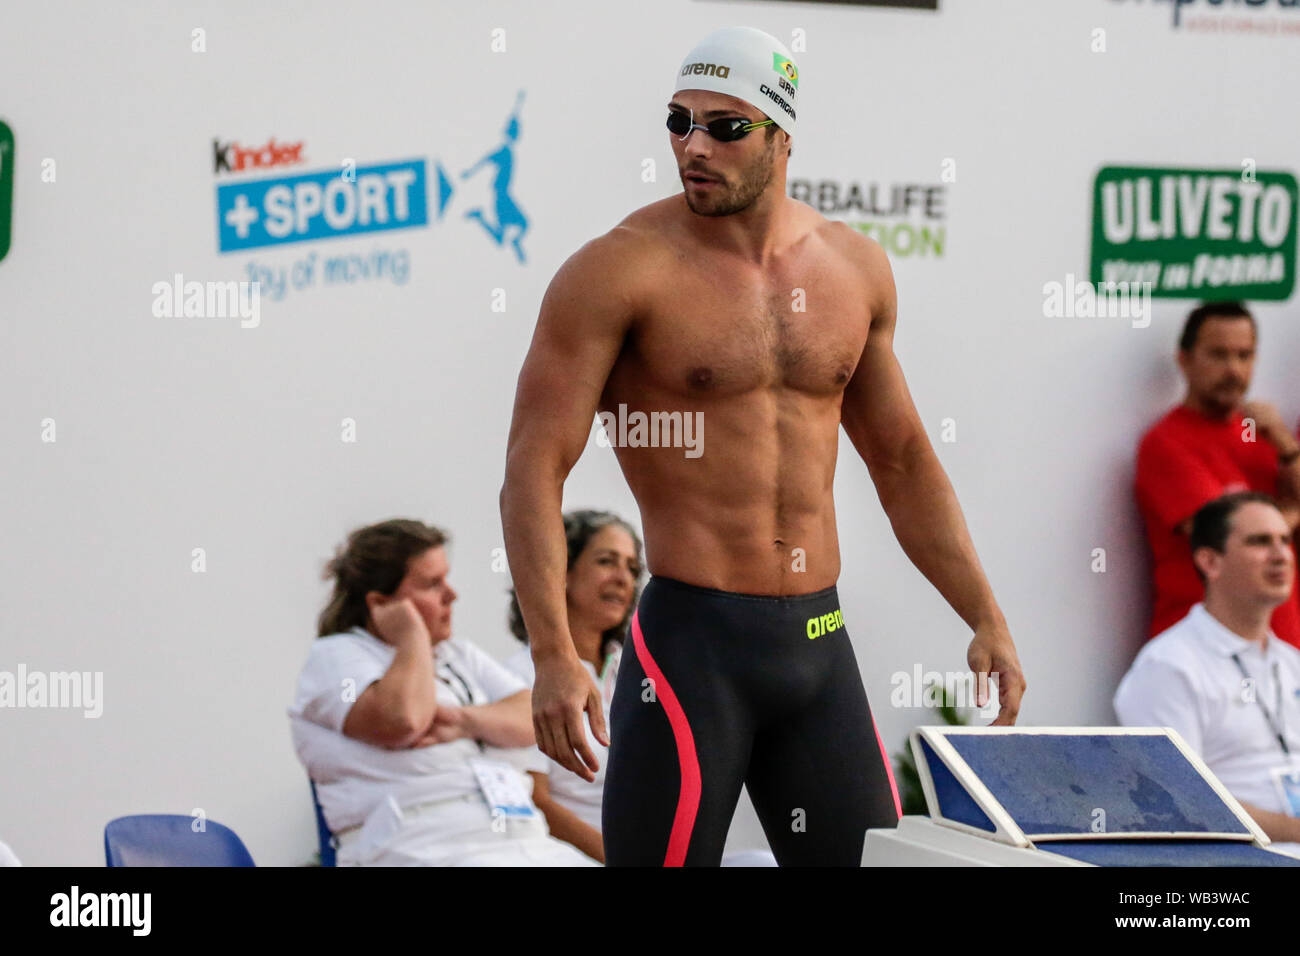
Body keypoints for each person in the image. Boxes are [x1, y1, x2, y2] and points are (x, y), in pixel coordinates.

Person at [499, 25, 1026, 866]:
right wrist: (555, 656)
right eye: (678, 122)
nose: (694, 146)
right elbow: (533, 468)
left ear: (782, 137)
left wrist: (984, 614)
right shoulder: (618, 272)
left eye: (725, 126)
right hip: (690, 648)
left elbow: (902, 459)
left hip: (818, 644)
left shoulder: (853, 269)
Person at [288, 519, 595, 866]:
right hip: (421, 846)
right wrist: (411, 638)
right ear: (380, 603)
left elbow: (531, 716)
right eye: (433, 584)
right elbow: (402, 719)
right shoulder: (337, 655)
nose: (452, 595)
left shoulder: (459, 655)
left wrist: (465, 721)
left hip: (522, 841)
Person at [1115, 492, 1300, 857]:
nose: (1281, 555)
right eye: (1260, 541)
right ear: (1210, 561)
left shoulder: (1290, 661)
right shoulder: (1169, 666)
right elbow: (1182, 803)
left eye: (1285, 540)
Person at [1136, 301, 1300, 648]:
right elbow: (1228, 537)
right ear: (1184, 359)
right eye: (1218, 355)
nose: (1233, 370)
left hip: (1280, 649)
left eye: (1244, 356)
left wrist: (1286, 446)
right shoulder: (1167, 442)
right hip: (1203, 652)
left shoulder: (1260, 432)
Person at [502, 510, 643, 863]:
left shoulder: (639, 670)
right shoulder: (520, 677)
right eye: (606, 561)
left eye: (632, 568)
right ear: (561, 572)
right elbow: (534, 799)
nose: (623, 579)